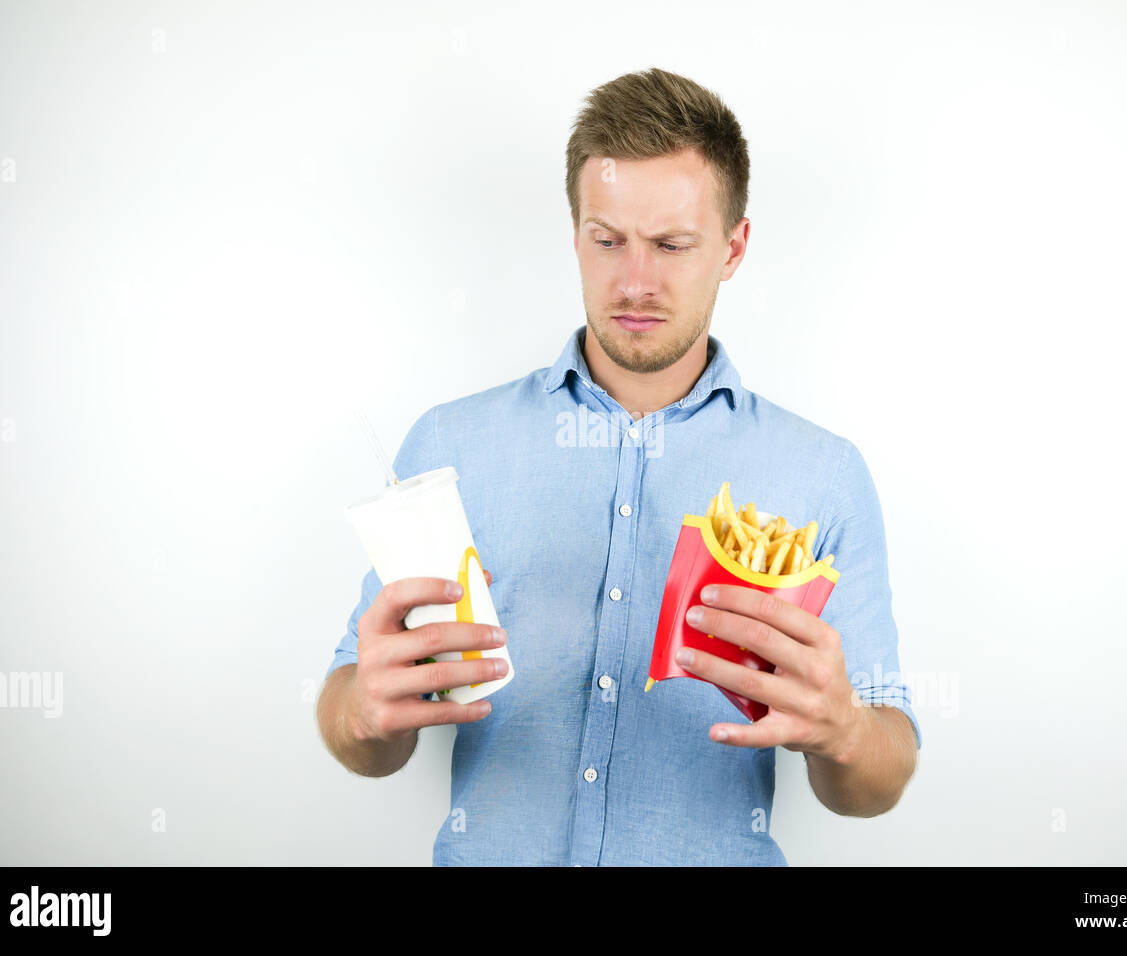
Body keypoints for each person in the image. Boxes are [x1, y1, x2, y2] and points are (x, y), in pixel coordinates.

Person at [317, 67, 920, 866]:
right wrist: (361, 710)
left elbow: (878, 780)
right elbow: (359, 727)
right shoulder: (448, 447)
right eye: (607, 241)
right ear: (575, 233)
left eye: (673, 245)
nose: (635, 282)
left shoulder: (824, 473)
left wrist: (844, 729)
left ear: (734, 247)